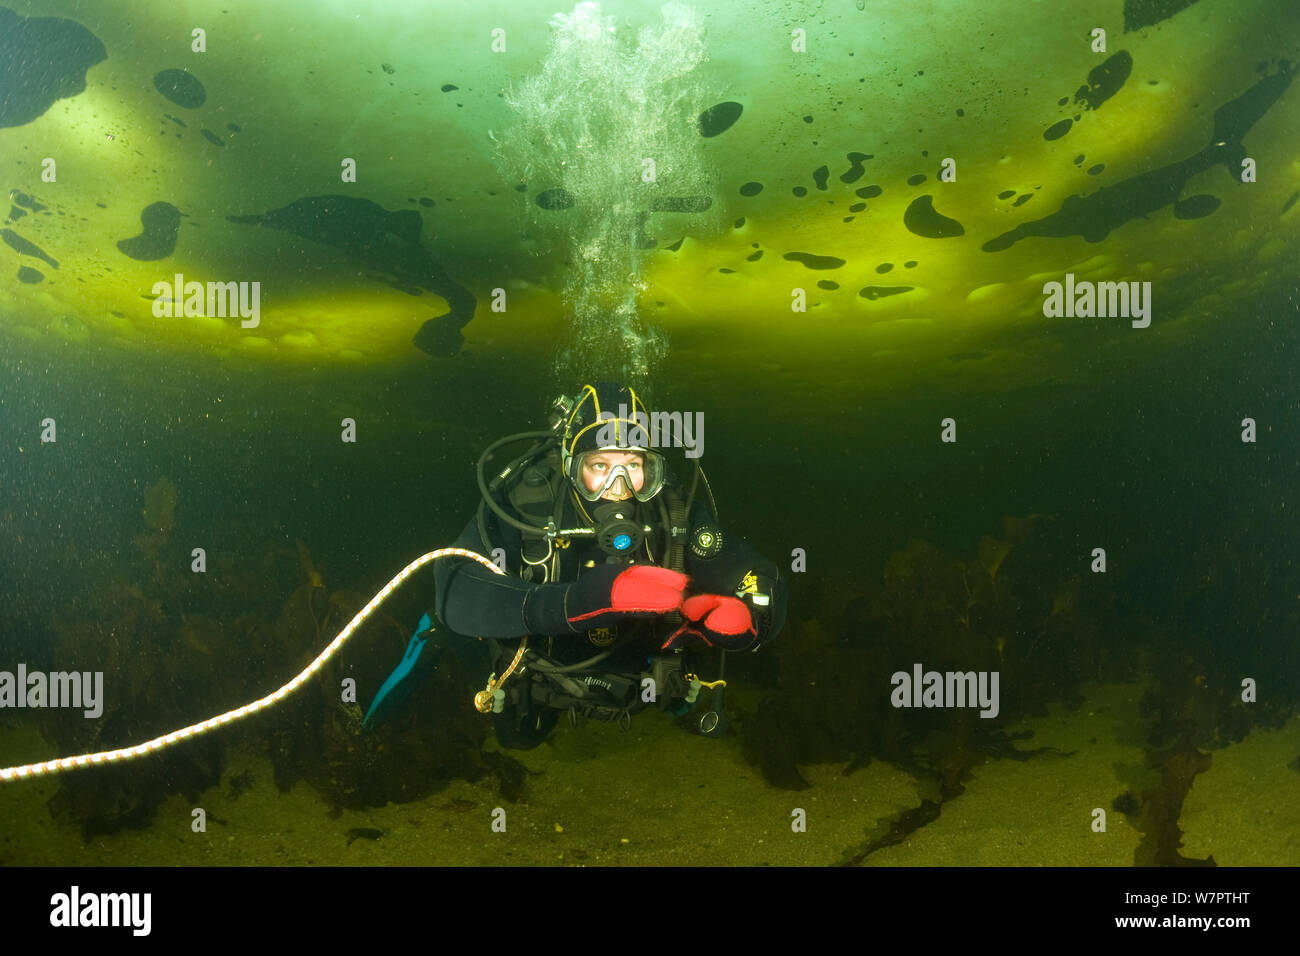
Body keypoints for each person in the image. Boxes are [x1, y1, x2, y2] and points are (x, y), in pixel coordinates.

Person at [375, 382, 788, 749]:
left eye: (633, 466)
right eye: (600, 467)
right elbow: (454, 589)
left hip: (642, 685)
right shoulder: (526, 504)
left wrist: (751, 622)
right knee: (516, 736)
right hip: (536, 680)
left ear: (651, 467)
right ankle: (374, 723)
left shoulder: (671, 511)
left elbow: (757, 576)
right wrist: (573, 603)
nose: (618, 487)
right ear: (572, 466)